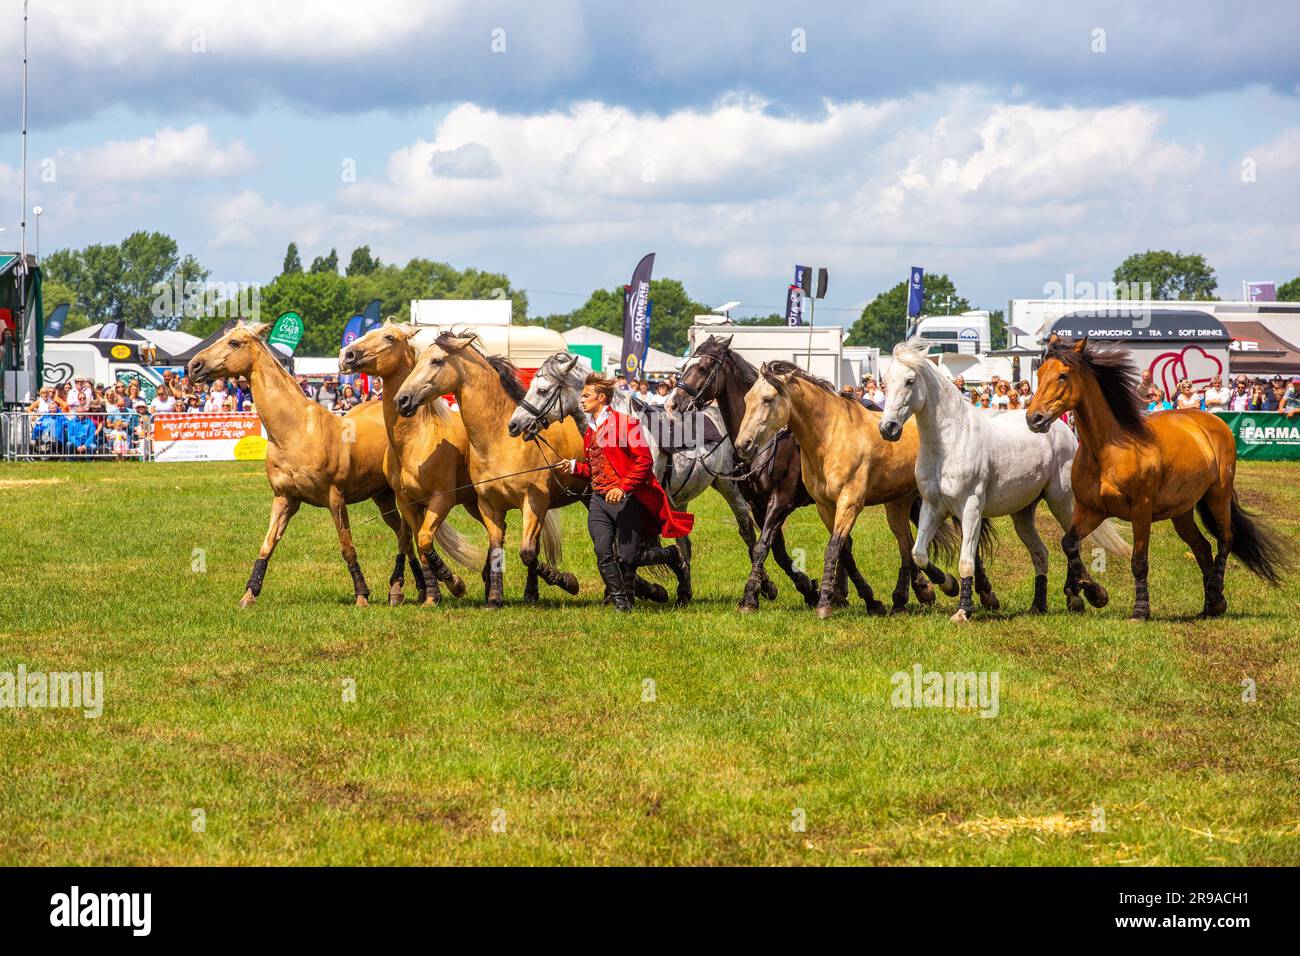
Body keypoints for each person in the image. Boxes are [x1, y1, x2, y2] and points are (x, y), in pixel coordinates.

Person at [556, 373, 693, 611]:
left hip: (627, 502)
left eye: (587, 395)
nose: (582, 399)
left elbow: (644, 461)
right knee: (602, 552)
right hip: (599, 500)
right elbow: (596, 468)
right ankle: (621, 603)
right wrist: (575, 467)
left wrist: (622, 487)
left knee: (630, 558)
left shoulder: (625, 424)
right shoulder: (589, 431)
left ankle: (672, 555)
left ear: (601, 398)